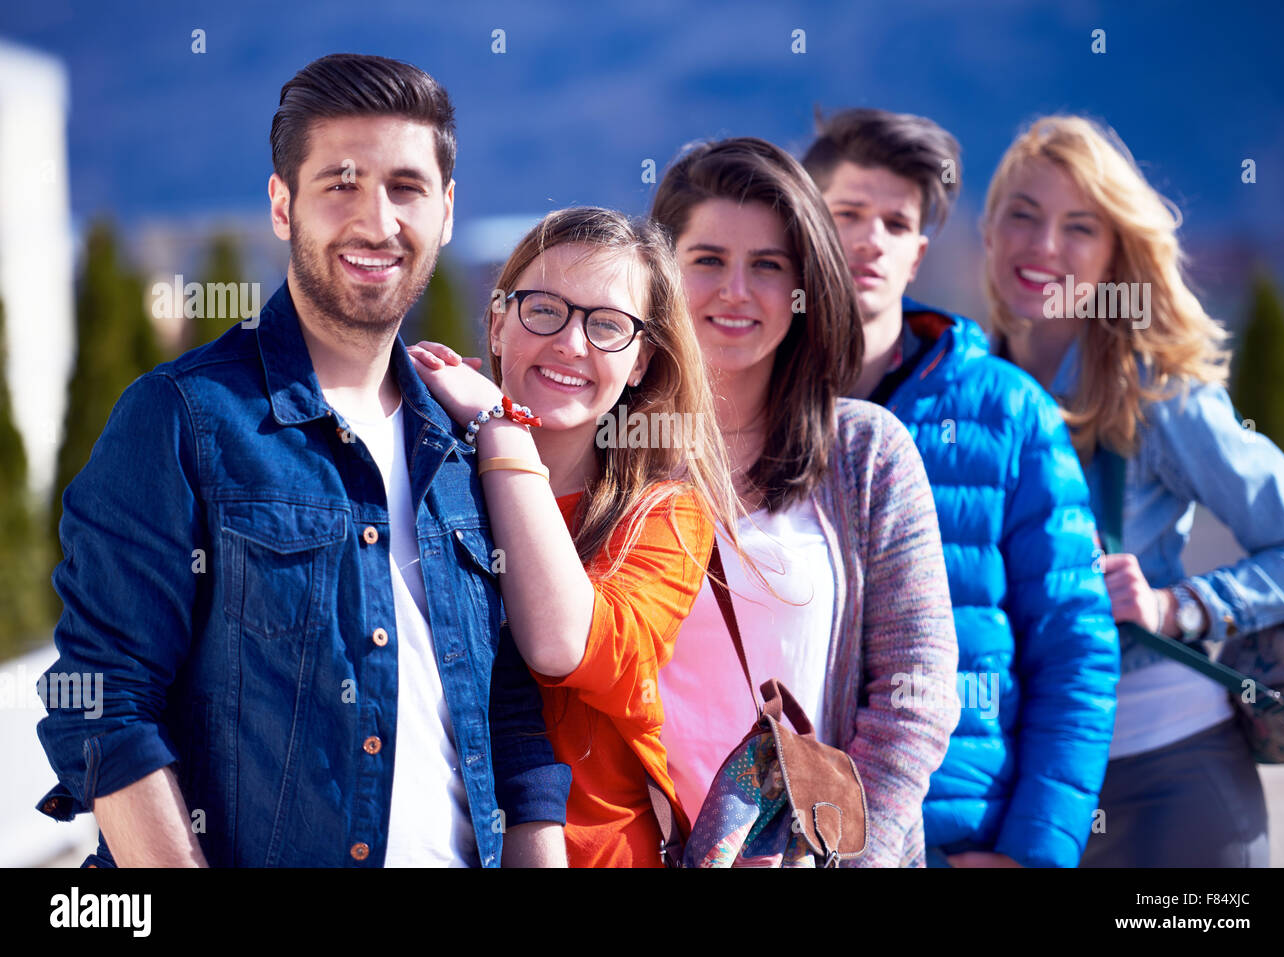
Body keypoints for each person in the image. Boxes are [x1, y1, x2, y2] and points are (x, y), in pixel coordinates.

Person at [34, 53, 571, 868]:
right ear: (283, 205)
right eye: (341, 184)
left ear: (449, 210)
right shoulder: (182, 418)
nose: (377, 220)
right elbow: (102, 702)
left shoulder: (464, 450)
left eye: (406, 187)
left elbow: (514, 731)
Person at [802, 109, 1120, 868]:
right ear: (804, 222)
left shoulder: (1009, 412)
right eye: (847, 212)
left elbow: (1076, 648)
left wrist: (1031, 851)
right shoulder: (750, 405)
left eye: (897, 221)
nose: (871, 237)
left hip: (959, 837)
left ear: (918, 253)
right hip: (789, 827)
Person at [984, 114, 1284, 867]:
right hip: (1031, 796)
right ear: (988, 230)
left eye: (1079, 227)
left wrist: (1177, 604)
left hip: (1174, 776)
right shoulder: (967, 390)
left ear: (1116, 252)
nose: (1044, 246)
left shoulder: (1157, 392)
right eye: (1022, 215)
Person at [648, 136, 961, 867]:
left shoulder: (867, 452)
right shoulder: (612, 450)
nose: (735, 290)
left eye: (767, 266)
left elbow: (917, 693)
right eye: (707, 261)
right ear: (661, 273)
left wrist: (851, 854)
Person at [408, 206, 741, 867]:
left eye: (608, 325)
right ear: (499, 321)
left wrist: (499, 427)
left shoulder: (664, 517)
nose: (571, 342)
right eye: (544, 310)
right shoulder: (420, 472)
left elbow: (561, 642)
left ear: (641, 360)